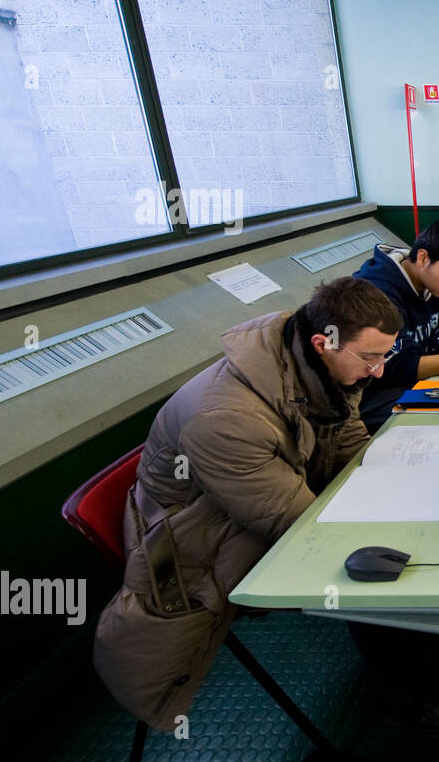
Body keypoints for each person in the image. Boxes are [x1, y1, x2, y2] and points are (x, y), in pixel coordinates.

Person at [94, 278, 403, 731]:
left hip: (253, 500)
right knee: (365, 581)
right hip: (192, 543)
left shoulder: (315, 363)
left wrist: (391, 479)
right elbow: (300, 530)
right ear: (323, 342)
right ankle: (412, 699)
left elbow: (346, 440)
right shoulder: (226, 419)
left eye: (385, 356)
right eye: (371, 358)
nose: (379, 371)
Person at [353, 220, 439, 432]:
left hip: (406, 381)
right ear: (423, 258)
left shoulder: (429, 281)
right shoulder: (379, 296)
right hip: (374, 394)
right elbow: (405, 366)